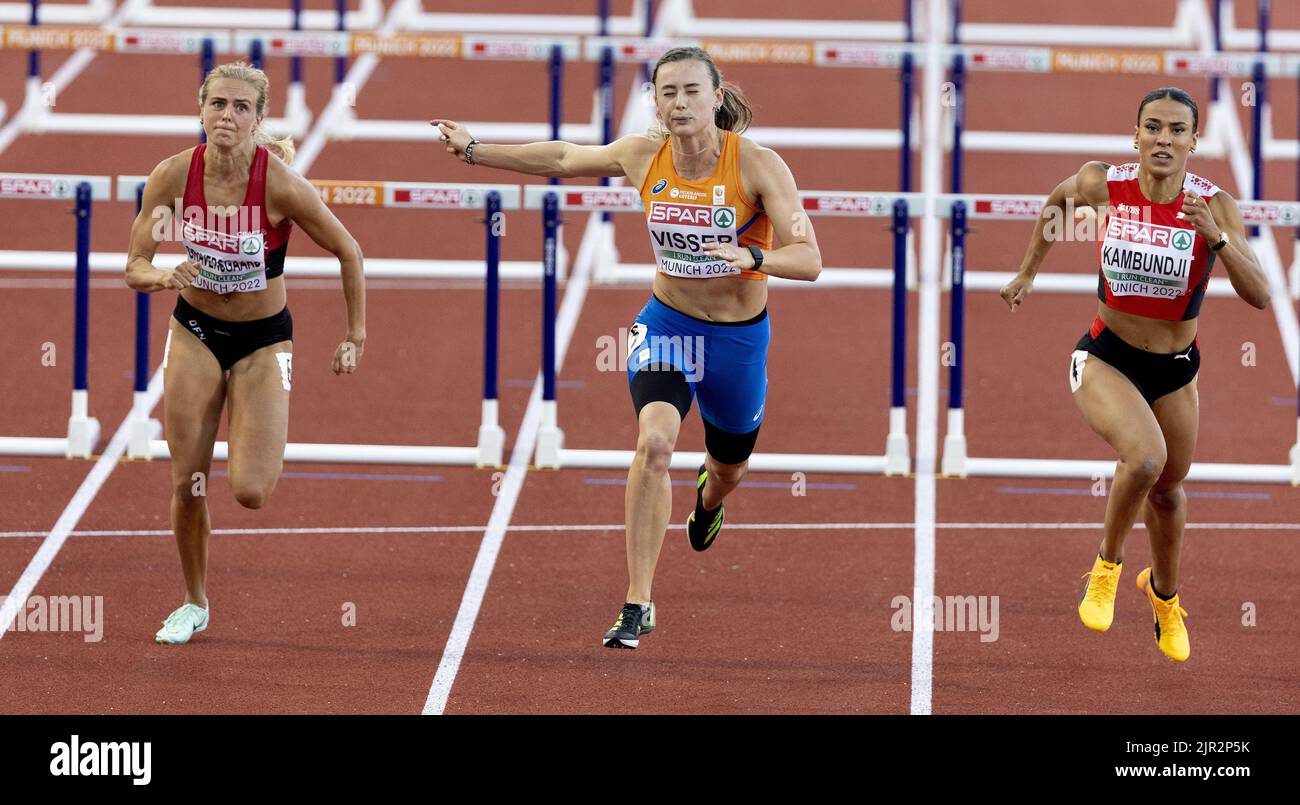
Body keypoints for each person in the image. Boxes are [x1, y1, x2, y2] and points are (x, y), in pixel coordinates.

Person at [433, 46, 821, 649]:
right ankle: (638, 600)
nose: (680, 102)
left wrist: (754, 256)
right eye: (668, 92)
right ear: (657, 103)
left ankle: (708, 500)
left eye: (692, 91)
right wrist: (478, 150)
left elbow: (811, 259)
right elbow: (564, 156)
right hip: (667, 327)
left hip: (739, 343)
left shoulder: (759, 166)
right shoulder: (645, 155)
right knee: (656, 442)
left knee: (729, 470)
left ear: (716, 98)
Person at [1000, 87, 1270, 662]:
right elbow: (1058, 201)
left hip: (1174, 369)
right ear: (1136, 136)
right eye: (1153, 128)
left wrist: (1216, 240)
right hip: (1105, 356)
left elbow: (1261, 296)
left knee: (1170, 490)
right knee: (1145, 459)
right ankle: (1107, 566)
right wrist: (1027, 274)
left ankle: (1165, 598)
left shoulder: (1214, 205)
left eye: (1177, 130)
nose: (1163, 140)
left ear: (1195, 141)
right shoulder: (1105, 183)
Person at [125, 62, 367, 644]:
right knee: (189, 482)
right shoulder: (172, 177)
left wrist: (354, 335)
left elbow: (349, 251)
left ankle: (262, 409)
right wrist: (160, 275)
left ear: (258, 119)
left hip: (263, 340)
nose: (226, 116)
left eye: (240, 107)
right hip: (196, 331)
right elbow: (133, 263)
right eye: (217, 104)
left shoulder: (279, 184)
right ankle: (194, 601)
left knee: (251, 491)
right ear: (200, 109)